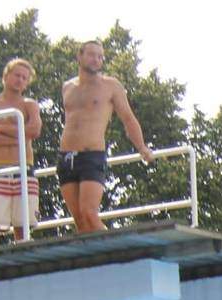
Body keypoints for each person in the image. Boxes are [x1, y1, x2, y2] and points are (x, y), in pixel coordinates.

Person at [58, 40, 152, 234]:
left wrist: (141, 147)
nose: (96, 60)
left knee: (89, 213)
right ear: (80, 56)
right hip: (66, 156)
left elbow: (128, 118)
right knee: (80, 220)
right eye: (92, 55)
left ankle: (119, 251)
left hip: (91, 154)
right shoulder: (68, 87)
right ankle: (95, 261)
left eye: (100, 56)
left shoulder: (110, 85)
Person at [0, 58, 43, 248]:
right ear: (6, 76)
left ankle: (24, 261)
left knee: (23, 224)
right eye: (17, 75)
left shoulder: (30, 104)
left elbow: (35, 131)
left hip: (24, 168)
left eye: (24, 77)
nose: (20, 80)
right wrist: (19, 135)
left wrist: (4, 128)